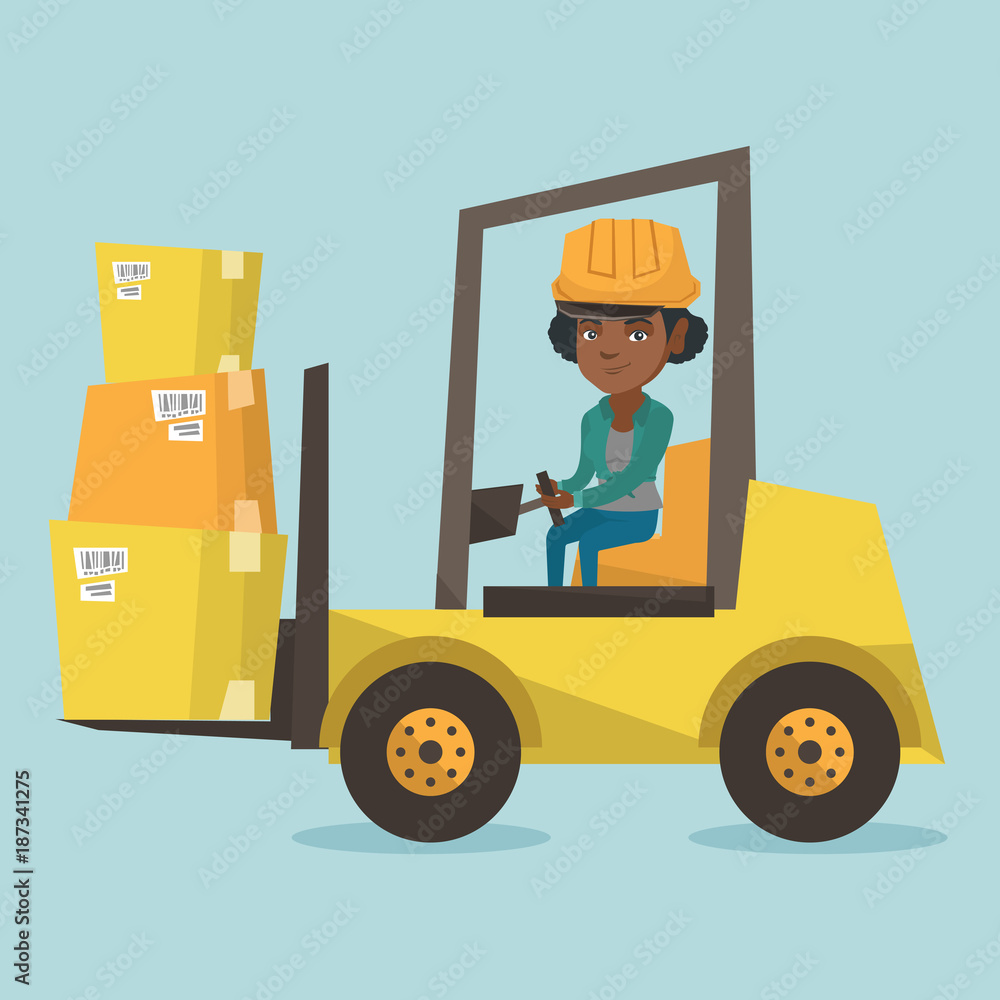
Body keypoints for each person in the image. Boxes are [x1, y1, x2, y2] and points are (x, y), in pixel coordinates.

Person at [537, 218, 709, 586]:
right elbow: (583, 473)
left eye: (637, 333)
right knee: (556, 535)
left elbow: (631, 476)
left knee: (592, 544)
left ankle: (590, 608)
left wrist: (577, 499)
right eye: (591, 331)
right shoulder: (591, 418)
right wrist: (559, 488)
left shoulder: (659, 417)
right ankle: (553, 601)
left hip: (637, 514)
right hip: (597, 507)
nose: (609, 350)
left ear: (675, 338)